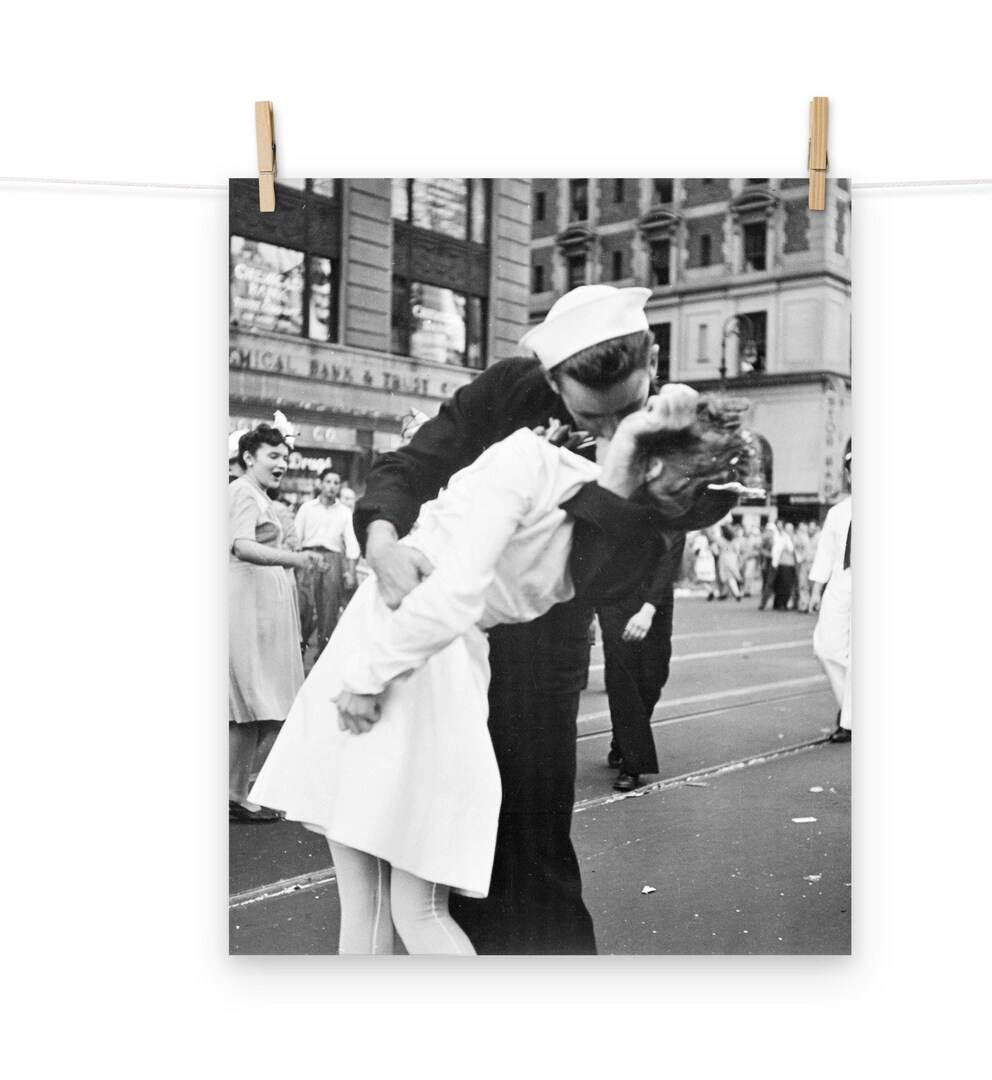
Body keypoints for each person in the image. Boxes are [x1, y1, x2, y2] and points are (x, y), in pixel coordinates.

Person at [251, 394, 758, 952]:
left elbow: (453, 586)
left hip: (399, 643)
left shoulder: (534, 463)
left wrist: (368, 675)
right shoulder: (616, 540)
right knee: (414, 909)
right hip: (452, 673)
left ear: (650, 457)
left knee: (376, 907)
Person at [349, 284, 746, 954]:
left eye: (624, 409)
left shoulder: (672, 421)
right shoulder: (508, 389)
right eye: (592, 415)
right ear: (553, 378)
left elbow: (686, 515)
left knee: (533, 843)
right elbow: (414, 463)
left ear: (652, 359)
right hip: (445, 648)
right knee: (436, 847)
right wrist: (383, 536)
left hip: (544, 646)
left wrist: (664, 475)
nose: (607, 430)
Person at [229, 420, 325, 823]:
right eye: (273, 456)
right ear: (249, 458)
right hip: (246, 603)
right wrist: (295, 559)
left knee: (257, 704)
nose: (282, 463)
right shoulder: (242, 492)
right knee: (248, 702)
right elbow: (242, 545)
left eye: (285, 456)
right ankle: (232, 792)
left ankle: (236, 790)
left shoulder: (257, 494)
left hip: (262, 605)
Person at [599, 532, 685, 791]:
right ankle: (633, 764)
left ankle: (622, 739)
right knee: (621, 674)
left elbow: (671, 555)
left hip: (656, 599)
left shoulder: (670, 501)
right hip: (615, 596)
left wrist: (648, 608)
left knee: (654, 674)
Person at [294, 467, 360, 657]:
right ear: (320, 484)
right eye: (328, 481)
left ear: (339, 487)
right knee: (304, 606)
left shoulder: (344, 512)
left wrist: (351, 572)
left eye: (336, 483)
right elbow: (296, 538)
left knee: (329, 610)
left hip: (332, 560)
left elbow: (351, 543)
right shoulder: (307, 508)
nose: (332, 486)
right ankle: (299, 650)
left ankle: (322, 658)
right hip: (308, 557)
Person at [810, 450, 852, 742]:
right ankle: (849, 708)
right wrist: (815, 590)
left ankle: (849, 721)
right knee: (826, 647)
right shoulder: (838, 513)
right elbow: (825, 554)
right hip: (840, 585)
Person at [772, 521, 798, 611]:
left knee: (788, 586)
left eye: (790, 530)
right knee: (782, 586)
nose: (789, 531)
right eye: (787, 529)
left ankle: (783, 603)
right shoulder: (782, 538)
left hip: (792, 565)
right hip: (783, 564)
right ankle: (780, 604)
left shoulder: (794, 538)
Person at [691, 529, 720, 599]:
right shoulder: (711, 539)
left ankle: (710, 591)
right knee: (708, 579)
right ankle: (711, 590)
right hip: (709, 559)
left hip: (702, 559)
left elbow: (695, 550)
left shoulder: (699, 538)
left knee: (701, 578)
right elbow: (716, 552)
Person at [757, 522, 778, 609]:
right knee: (767, 583)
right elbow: (761, 550)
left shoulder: (776, 538)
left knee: (769, 583)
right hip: (767, 563)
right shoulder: (765, 538)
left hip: (774, 563)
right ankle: (763, 602)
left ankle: (765, 602)